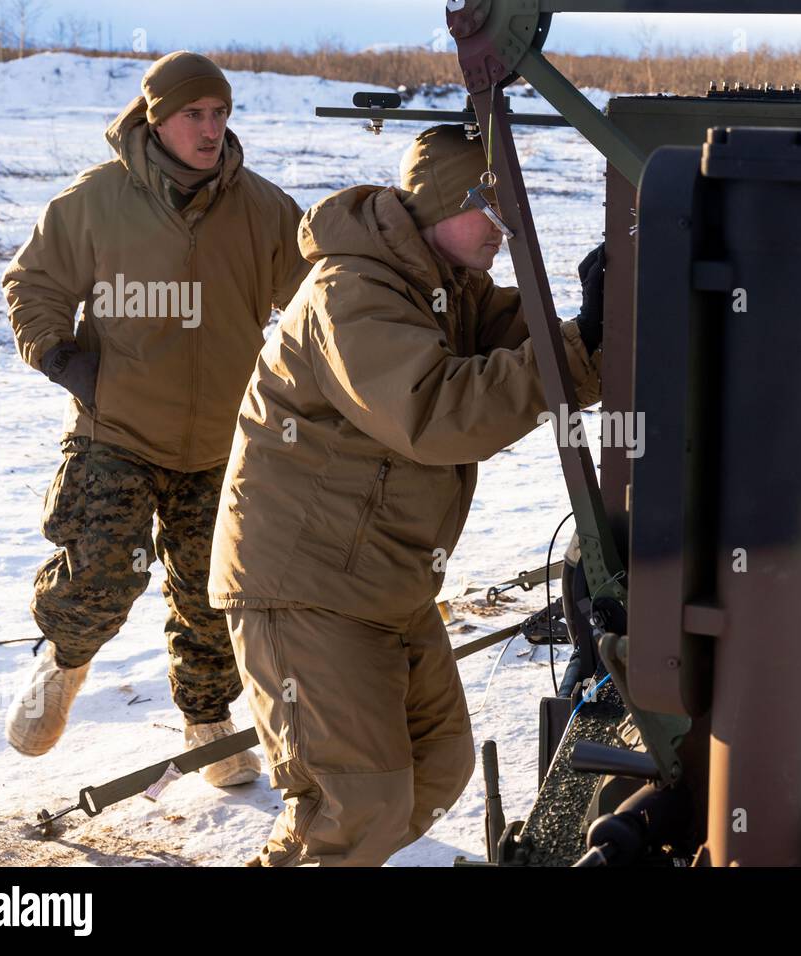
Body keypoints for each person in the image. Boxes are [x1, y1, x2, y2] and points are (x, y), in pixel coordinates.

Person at [209, 124, 605, 864]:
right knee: (354, 805)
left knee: (437, 765)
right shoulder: (352, 292)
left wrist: (602, 321)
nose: (502, 226)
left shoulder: (448, 288)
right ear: (435, 206)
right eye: (486, 205)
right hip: (306, 585)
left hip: (380, 582)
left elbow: (531, 343)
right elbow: (436, 411)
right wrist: (582, 347)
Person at [1, 50, 311, 787]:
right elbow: (33, 280)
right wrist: (63, 359)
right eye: (192, 115)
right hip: (119, 432)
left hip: (221, 440)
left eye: (220, 114)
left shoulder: (263, 207)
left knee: (215, 595)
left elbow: (312, 297)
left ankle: (208, 719)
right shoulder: (98, 199)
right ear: (155, 118)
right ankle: (62, 666)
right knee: (102, 576)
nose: (209, 130)